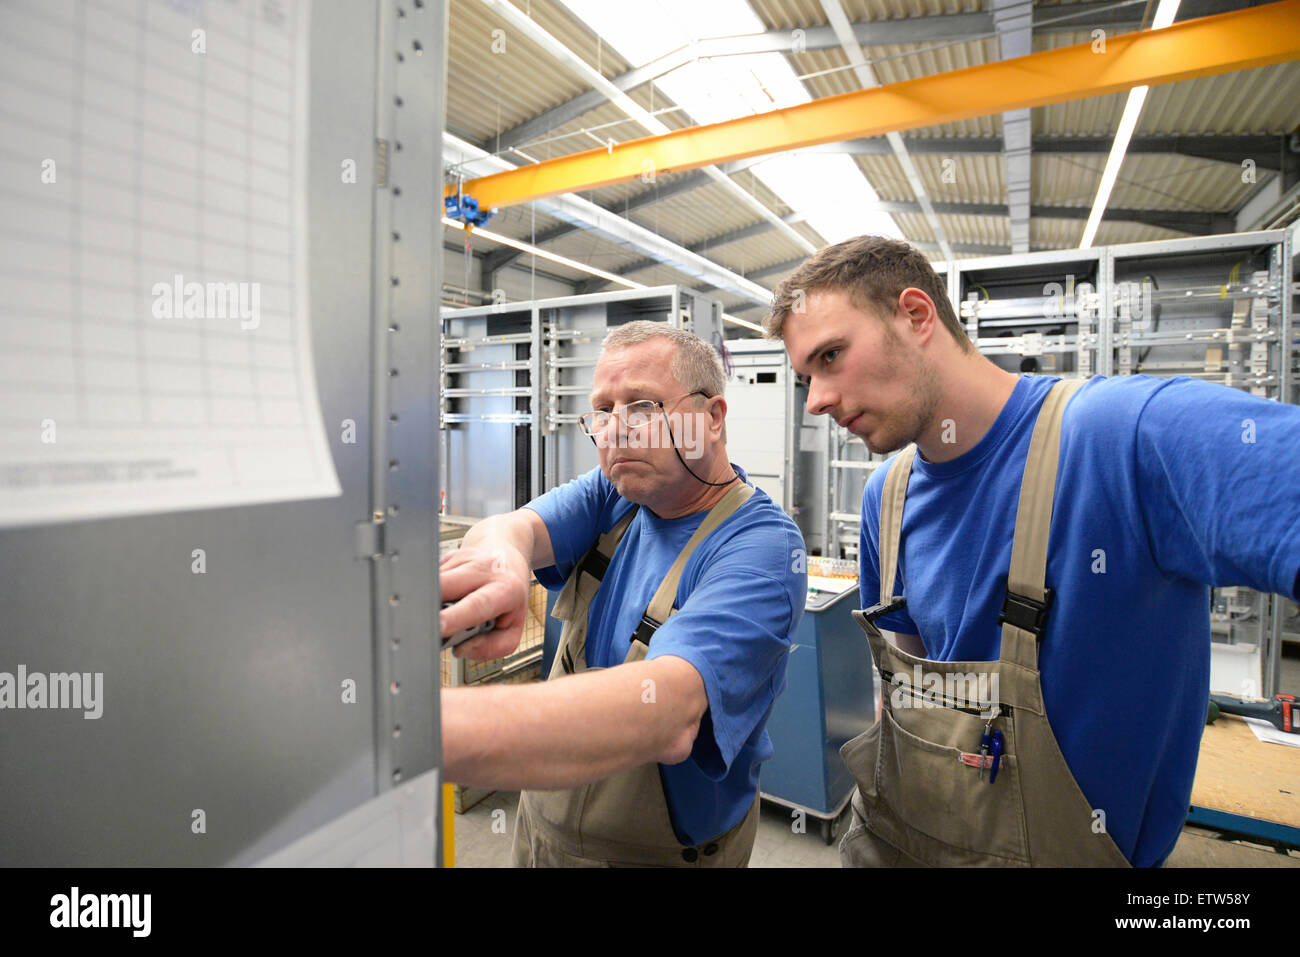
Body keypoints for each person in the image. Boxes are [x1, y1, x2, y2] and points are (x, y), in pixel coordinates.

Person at [765, 234, 1300, 868]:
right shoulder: (889, 498)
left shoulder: (1122, 437)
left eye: (832, 356)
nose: (817, 398)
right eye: (806, 377)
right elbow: (908, 692)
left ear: (915, 316)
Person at [440, 320, 807, 867]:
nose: (616, 430)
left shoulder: (763, 548)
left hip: (656, 854)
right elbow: (511, 529)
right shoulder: (620, 496)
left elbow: (665, 711)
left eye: (642, 407)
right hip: (542, 829)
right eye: (603, 411)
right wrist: (505, 566)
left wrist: (416, 731)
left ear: (712, 418)